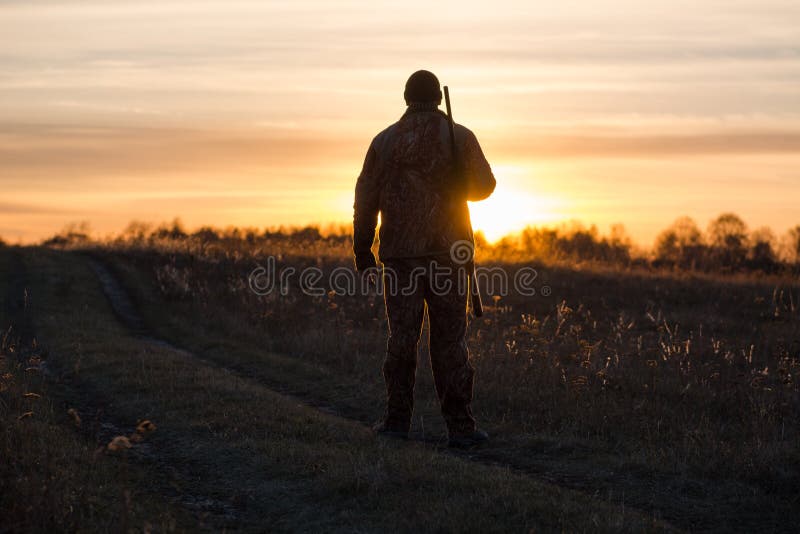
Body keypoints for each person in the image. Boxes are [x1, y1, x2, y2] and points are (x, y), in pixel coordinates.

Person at [352, 70, 496, 448]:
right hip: (449, 255)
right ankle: (461, 428)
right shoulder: (459, 136)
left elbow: (365, 197)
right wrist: (457, 180)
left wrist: (362, 249)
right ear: (436, 97)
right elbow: (486, 186)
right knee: (450, 342)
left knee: (401, 338)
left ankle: (397, 422)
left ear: (405, 97)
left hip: (400, 258)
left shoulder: (384, 141)